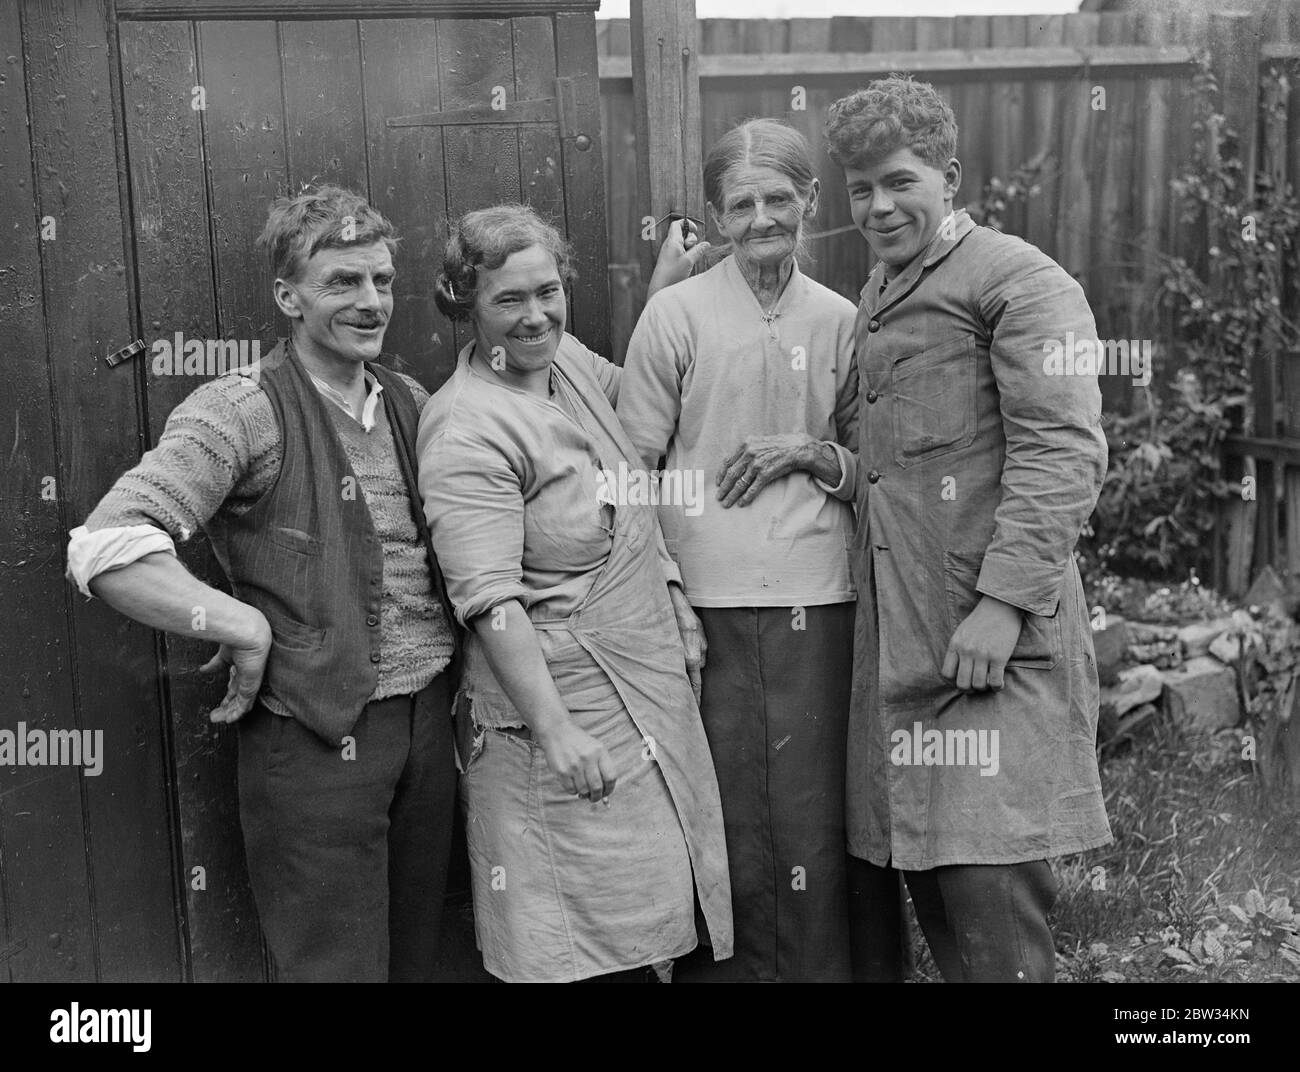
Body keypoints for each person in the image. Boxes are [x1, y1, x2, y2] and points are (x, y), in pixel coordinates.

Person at [65, 185, 460, 983]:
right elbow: (105, 546)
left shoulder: (412, 401)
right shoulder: (241, 409)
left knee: (421, 958)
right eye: (342, 282)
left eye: (381, 280)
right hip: (314, 736)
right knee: (334, 972)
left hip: (428, 728)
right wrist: (241, 626)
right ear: (288, 296)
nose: (371, 300)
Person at [824, 75, 1113, 982]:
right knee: (942, 905)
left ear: (949, 176)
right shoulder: (877, 293)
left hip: (992, 651)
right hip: (908, 651)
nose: (879, 205)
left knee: (997, 925)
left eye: (901, 181)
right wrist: (819, 461)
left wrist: (1001, 605)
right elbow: (885, 463)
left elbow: (1063, 452)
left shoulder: (1019, 280)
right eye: (862, 188)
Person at [416, 203, 733, 984]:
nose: (536, 316)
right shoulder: (467, 428)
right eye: (509, 300)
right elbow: (490, 599)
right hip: (552, 716)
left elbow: (641, 424)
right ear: (468, 305)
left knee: (643, 927)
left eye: (548, 291)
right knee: (568, 947)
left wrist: (669, 296)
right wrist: (556, 730)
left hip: (636, 699)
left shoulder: (570, 367)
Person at [616, 119, 859, 982]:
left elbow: (876, 469)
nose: (762, 218)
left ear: (811, 203)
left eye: (779, 200)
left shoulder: (841, 319)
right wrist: (668, 584)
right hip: (707, 604)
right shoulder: (674, 316)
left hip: (823, 597)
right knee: (726, 807)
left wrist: (810, 452)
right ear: (718, 217)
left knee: (812, 808)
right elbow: (629, 472)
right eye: (742, 203)